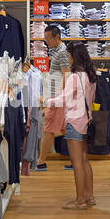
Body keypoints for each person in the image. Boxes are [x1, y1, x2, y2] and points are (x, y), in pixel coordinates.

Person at [43, 43, 97, 209]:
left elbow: (63, 99)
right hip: (85, 120)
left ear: (75, 56)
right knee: (84, 159)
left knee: (77, 162)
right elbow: (90, 100)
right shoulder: (90, 76)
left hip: (74, 120)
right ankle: (89, 196)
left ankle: (79, 199)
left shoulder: (74, 77)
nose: (67, 59)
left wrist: (46, 101)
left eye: (68, 56)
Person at [35, 24, 70, 171]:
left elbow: (66, 75)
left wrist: (58, 98)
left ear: (57, 37)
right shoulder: (56, 50)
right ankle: (76, 159)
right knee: (64, 129)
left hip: (57, 98)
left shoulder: (62, 52)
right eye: (45, 39)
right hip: (57, 97)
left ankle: (41, 162)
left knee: (48, 129)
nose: (46, 42)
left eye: (48, 38)